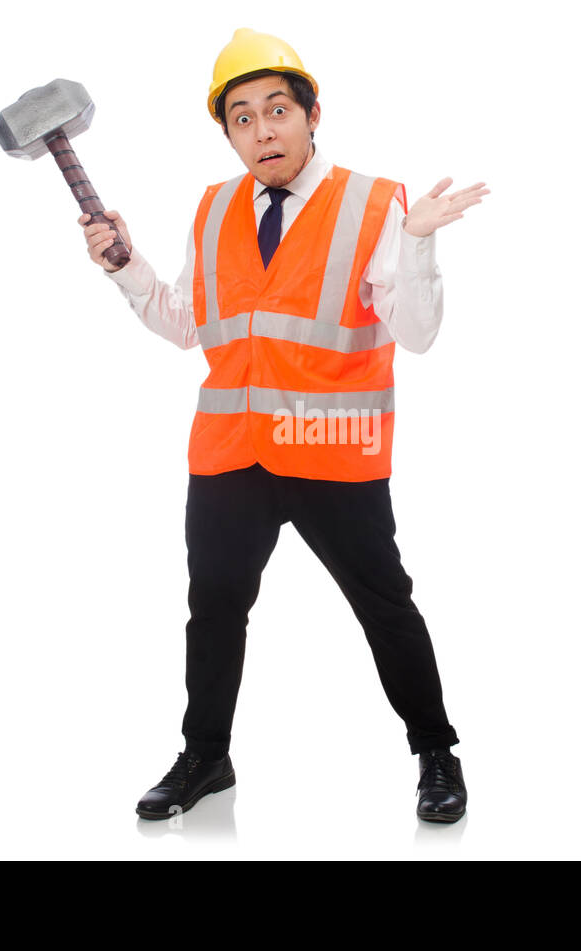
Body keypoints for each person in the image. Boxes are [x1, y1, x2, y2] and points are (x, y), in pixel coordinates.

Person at [78, 28, 489, 824]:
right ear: (227, 131)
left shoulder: (377, 203)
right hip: (232, 451)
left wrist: (419, 242)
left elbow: (417, 331)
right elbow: (187, 324)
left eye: (277, 110)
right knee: (215, 606)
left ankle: (436, 752)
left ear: (311, 115)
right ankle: (206, 755)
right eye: (242, 117)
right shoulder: (215, 205)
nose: (262, 130)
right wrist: (126, 266)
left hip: (333, 449)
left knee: (384, 603)